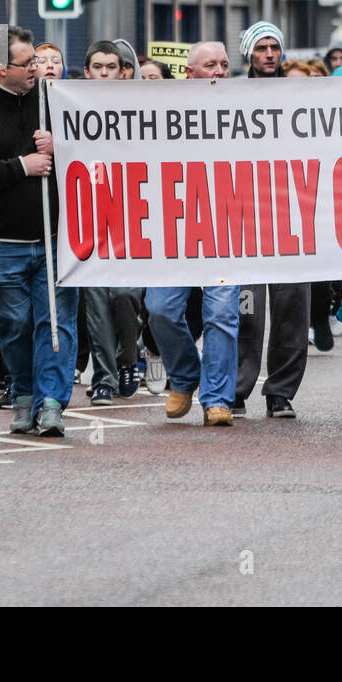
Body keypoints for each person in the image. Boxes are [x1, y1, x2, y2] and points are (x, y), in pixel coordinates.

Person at [0, 25, 78, 437]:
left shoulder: (53, 102)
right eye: (28, 63)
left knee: (56, 324)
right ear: (1, 68)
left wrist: (62, 147)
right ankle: (24, 395)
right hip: (1, 244)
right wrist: (22, 165)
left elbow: (96, 148)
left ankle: (53, 402)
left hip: (55, 239)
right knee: (14, 327)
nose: (37, 70)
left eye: (39, 62)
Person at [143, 42, 241, 427]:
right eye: (210, 65)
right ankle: (184, 375)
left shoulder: (246, 107)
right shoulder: (165, 111)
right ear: (190, 73)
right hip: (176, 225)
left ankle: (217, 399)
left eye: (224, 64)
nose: (219, 71)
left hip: (228, 226)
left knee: (221, 313)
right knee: (160, 309)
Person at [235, 22, 311, 419]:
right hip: (244, 218)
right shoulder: (228, 96)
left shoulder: (302, 96)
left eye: (274, 47)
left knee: (292, 313)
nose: (268, 54)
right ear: (249, 52)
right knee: (246, 310)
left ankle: (280, 392)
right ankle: (236, 388)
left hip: (292, 218)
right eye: (261, 47)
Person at [78, 41, 144, 404]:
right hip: (88, 218)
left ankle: (128, 359)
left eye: (111, 67)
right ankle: (104, 377)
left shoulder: (139, 109)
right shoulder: (71, 107)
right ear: (87, 71)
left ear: (122, 71)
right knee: (96, 303)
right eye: (98, 67)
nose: (105, 73)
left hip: (132, 218)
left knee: (124, 295)